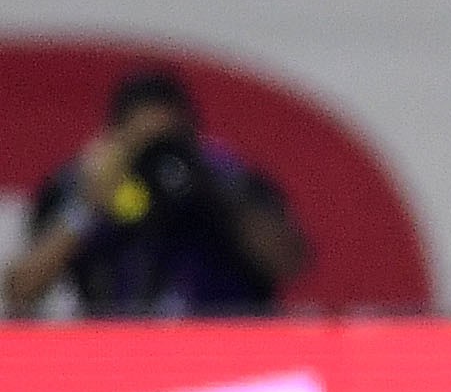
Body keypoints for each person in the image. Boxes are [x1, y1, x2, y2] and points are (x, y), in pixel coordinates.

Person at [5, 69, 309, 320]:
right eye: (144, 143)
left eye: (166, 140)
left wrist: (213, 188)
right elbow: (21, 291)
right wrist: (88, 205)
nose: (156, 158)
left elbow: (289, 264)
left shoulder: (227, 176)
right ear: (118, 137)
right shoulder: (85, 185)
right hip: (117, 356)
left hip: (221, 354)